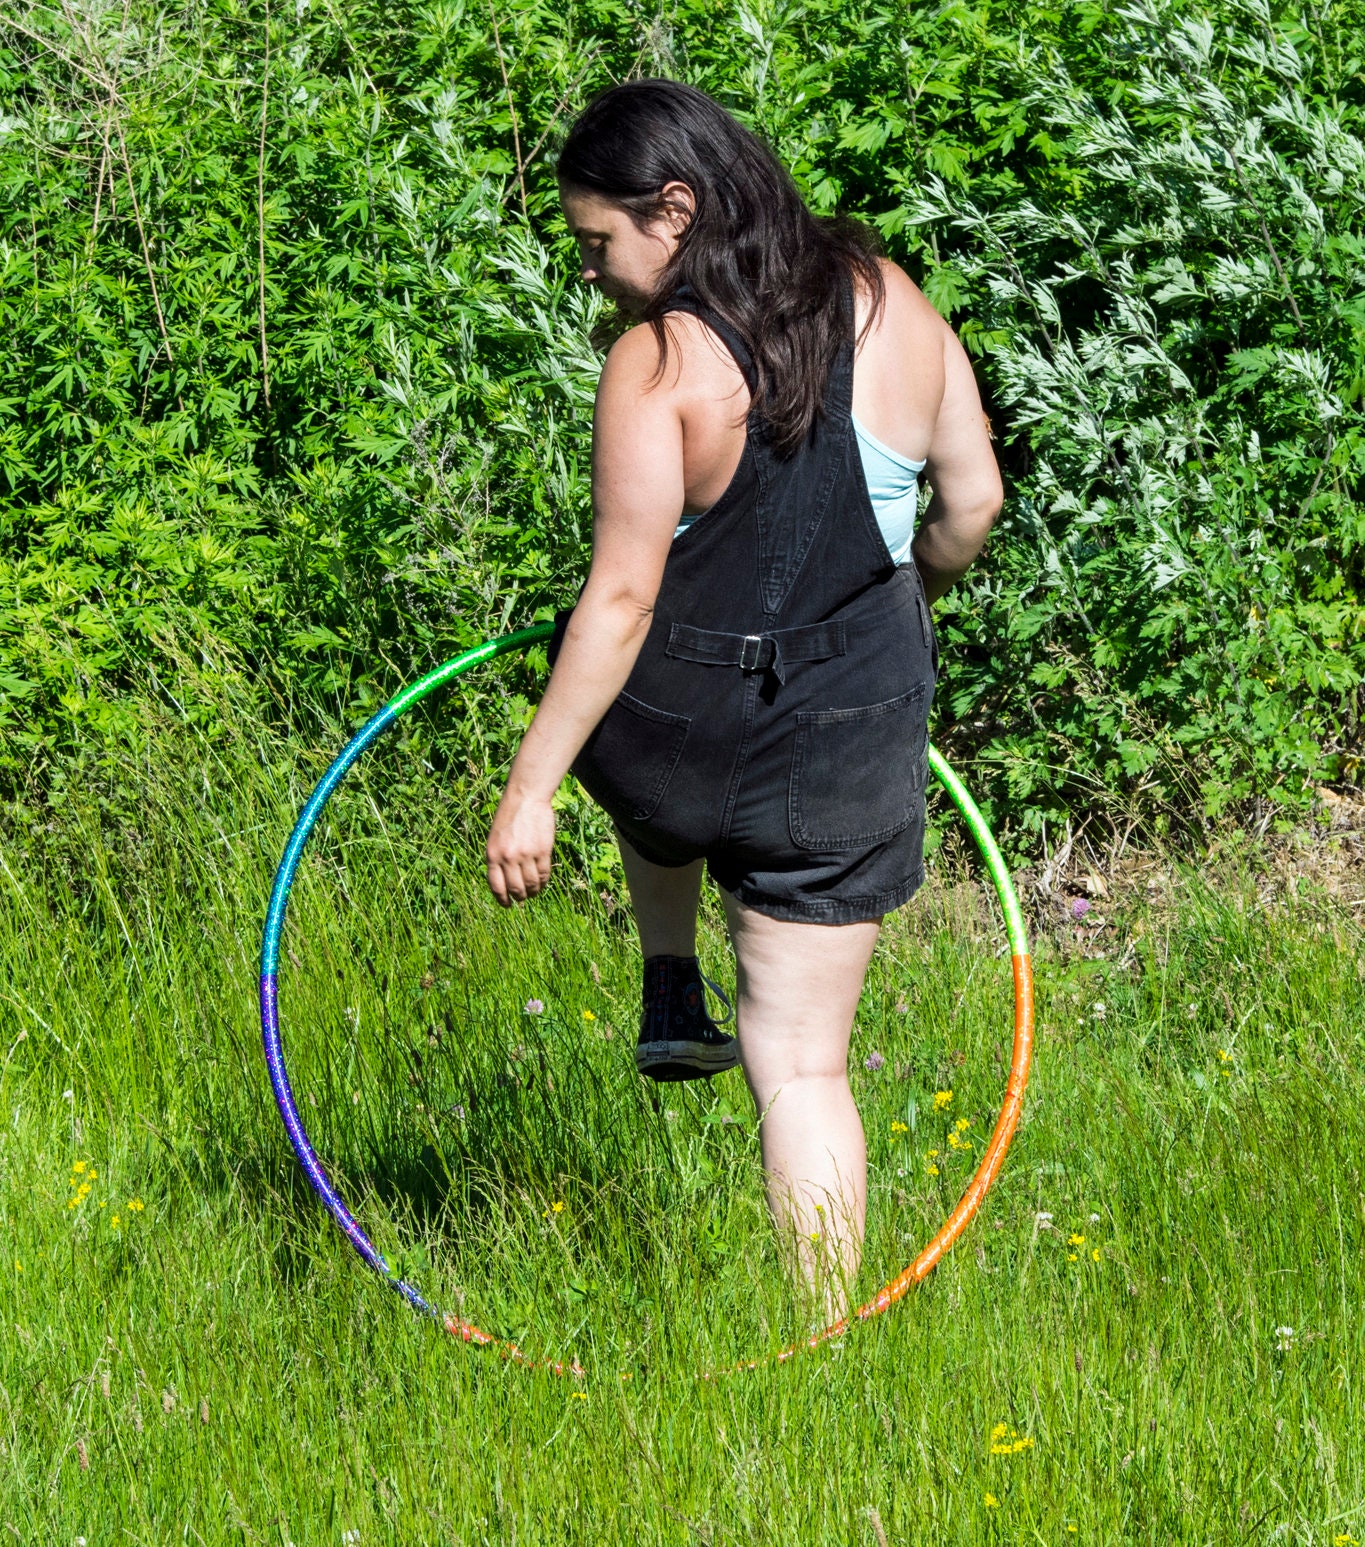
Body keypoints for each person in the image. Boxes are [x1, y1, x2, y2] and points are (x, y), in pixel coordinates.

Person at [485, 79, 1001, 1316]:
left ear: (675, 209)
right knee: (805, 1063)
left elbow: (620, 601)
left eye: (599, 243)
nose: (595, 274)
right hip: (850, 741)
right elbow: (973, 507)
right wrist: (900, 603)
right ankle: (820, 1343)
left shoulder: (657, 360)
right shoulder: (900, 306)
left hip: (682, 737)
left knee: (628, 714)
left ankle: (671, 976)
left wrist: (530, 787)